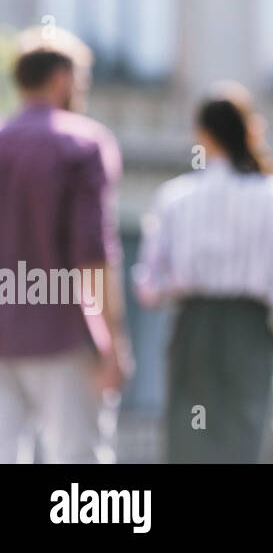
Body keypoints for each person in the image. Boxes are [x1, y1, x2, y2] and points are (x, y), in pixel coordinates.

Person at [133, 82, 273, 463]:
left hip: (191, 330)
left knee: (191, 440)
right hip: (251, 331)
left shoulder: (175, 198)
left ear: (202, 135)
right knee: (253, 435)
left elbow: (149, 289)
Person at [0, 26, 133, 463]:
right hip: (63, 331)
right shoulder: (81, 143)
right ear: (62, 79)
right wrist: (112, 341)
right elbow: (92, 252)